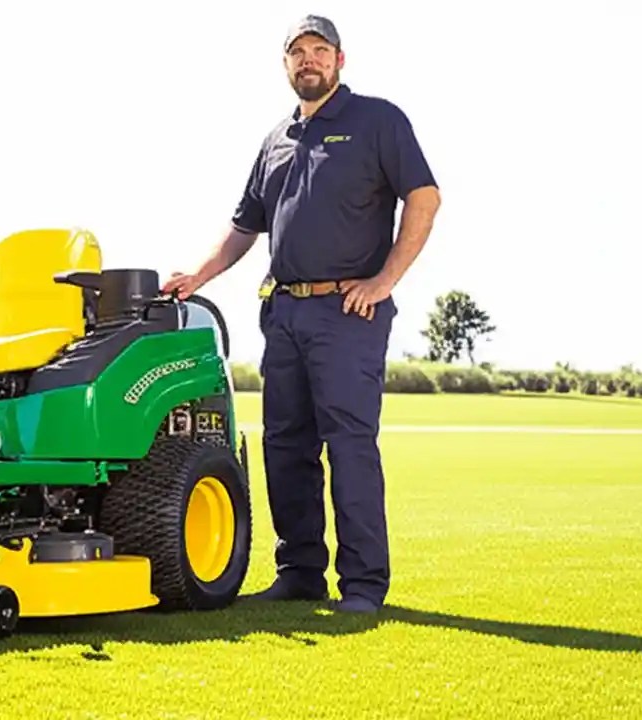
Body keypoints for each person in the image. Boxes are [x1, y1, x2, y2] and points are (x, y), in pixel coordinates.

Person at [162, 14, 441, 614]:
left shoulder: (378, 121)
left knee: (349, 446)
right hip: (284, 313)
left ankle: (363, 585)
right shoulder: (276, 140)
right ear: (286, 64)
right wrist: (198, 276)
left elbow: (425, 198)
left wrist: (384, 281)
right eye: (297, 52)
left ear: (340, 59)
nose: (308, 59)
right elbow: (244, 227)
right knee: (285, 446)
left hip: (348, 314)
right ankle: (300, 571)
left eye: (319, 50)